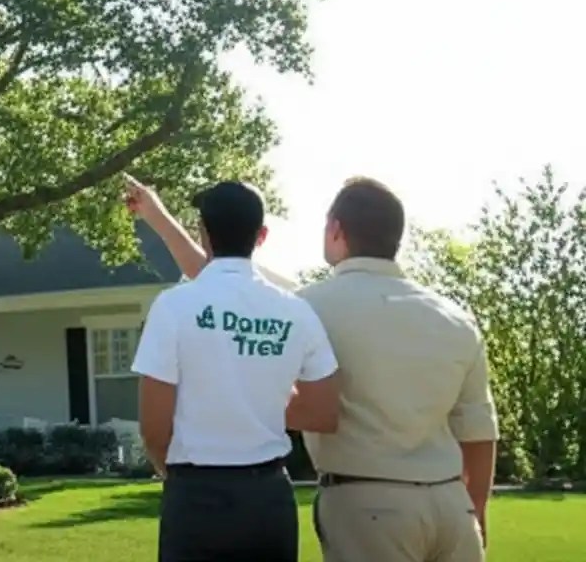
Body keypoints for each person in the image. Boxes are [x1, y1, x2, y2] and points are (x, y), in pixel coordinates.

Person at [126, 173, 499, 562]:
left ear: (337, 230)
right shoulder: (455, 319)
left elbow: (221, 289)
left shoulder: (312, 305)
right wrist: (475, 512)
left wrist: (247, 394)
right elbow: (478, 428)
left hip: (368, 506)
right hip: (451, 506)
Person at [129, 179, 341, 562]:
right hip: (268, 500)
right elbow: (324, 414)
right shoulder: (295, 311)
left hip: (194, 497)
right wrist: (256, 390)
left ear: (203, 234)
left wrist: (176, 476)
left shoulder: (173, 307)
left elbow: (154, 429)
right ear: (261, 236)